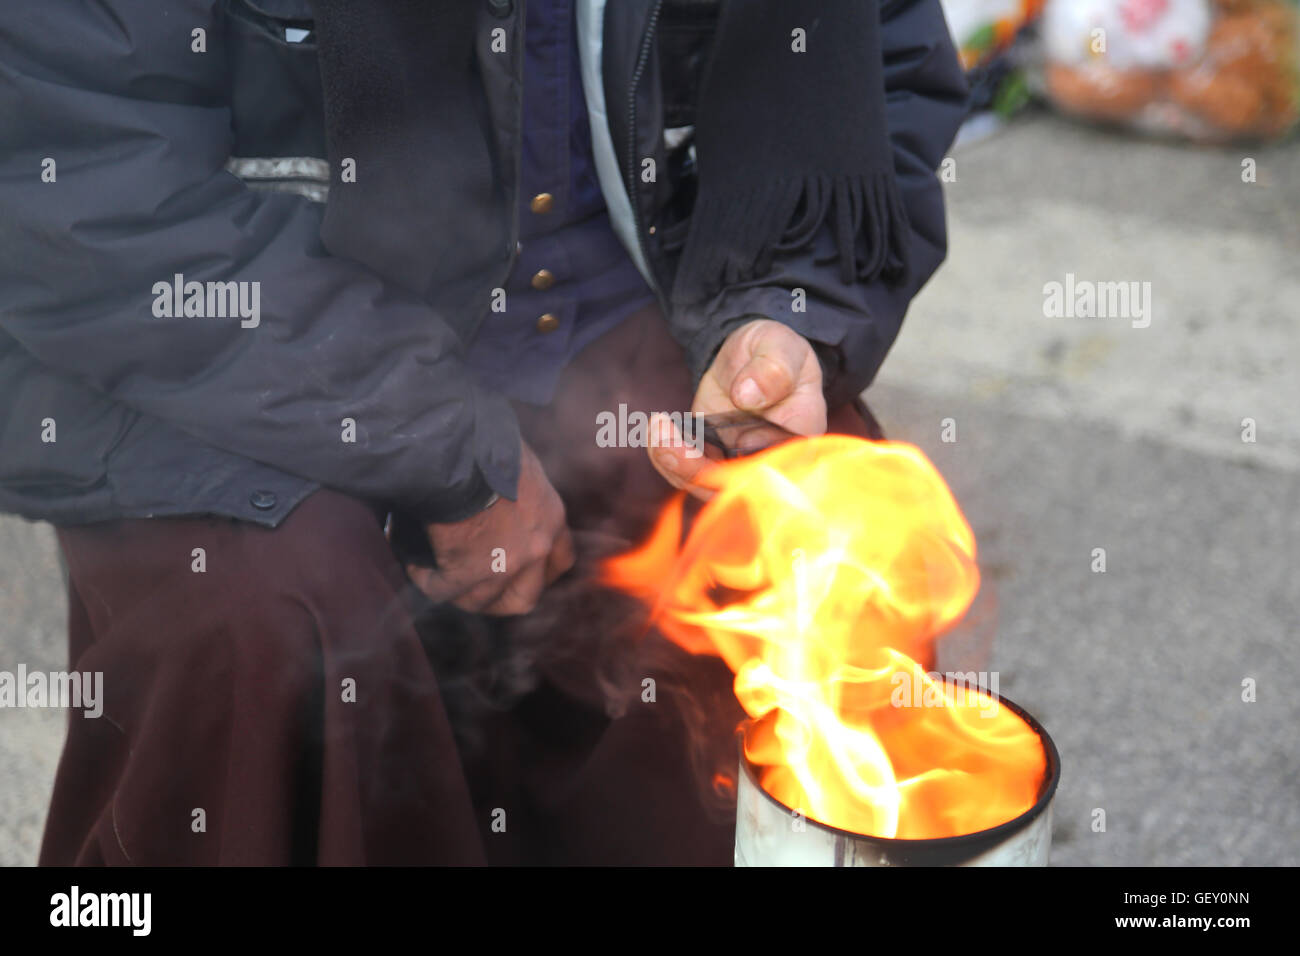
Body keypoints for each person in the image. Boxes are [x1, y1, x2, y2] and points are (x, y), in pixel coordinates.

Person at [0, 0, 968, 864]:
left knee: (805, 541)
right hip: (241, 329)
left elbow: (882, 65)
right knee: (266, 609)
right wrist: (441, 447)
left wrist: (785, 310)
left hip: (630, 302)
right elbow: (87, 184)